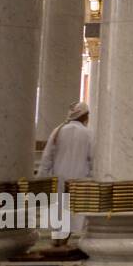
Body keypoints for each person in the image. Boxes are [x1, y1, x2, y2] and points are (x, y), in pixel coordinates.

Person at [37, 102, 94, 246]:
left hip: (59, 178)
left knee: (59, 212)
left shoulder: (58, 131)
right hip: (79, 179)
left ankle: (56, 243)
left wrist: (41, 178)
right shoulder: (88, 134)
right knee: (72, 214)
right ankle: (62, 243)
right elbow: (93, 159)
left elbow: (47, 157)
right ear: (85, 116)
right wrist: (93, 178)